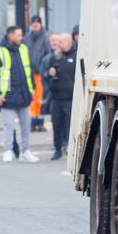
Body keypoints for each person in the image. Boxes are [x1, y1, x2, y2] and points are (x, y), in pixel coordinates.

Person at [0, 26, 36, 163]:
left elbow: (29, 70)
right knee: (8, 125)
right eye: (18, 35)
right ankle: (8, 150)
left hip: (24, 94)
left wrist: (31, 89)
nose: (21, 38)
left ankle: (25, 151)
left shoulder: (23, 49)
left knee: (26, 125)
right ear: (10, 35)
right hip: (7, 95)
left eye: (21, 35)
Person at [47, 32, 78, 161]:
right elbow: (47, 74)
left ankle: (70, 148)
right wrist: (49, 73)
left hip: (70, 98)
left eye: (61, 42)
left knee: (69, 125)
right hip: (56, 98)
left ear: (69, 42)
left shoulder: (76, 55)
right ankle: (57, 149)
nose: (58, 44)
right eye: (57, 42)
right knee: (56, 124)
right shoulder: (54, 56)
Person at [25, 16, 50, 132]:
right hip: (29, 73)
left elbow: (48, 53)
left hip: (40, 73)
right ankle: (31, 122)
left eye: (37, 22)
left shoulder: (45, 37)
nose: (35, 24)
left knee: (40, 97)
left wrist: (42, 67)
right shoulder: (26, 38)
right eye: (33, 22)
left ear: (40, 24)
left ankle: (40, 122)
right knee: (31, 97)